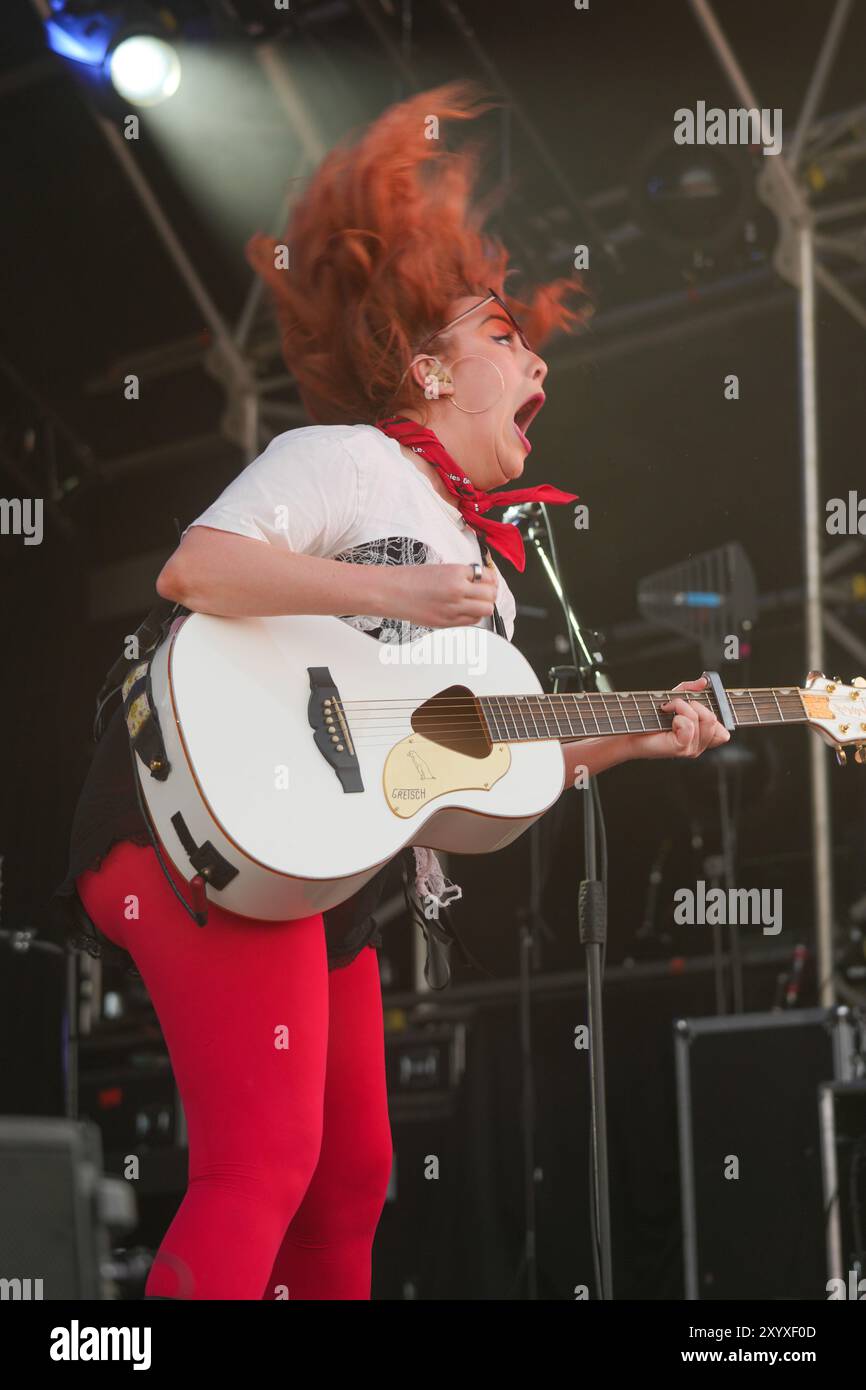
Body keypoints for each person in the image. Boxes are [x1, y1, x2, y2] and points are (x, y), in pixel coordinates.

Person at [50, 81, 730, 1301]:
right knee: (262, 1160)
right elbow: (193, 569)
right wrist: (409, 598)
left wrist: (638, 736)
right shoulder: (340, 459)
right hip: (191, 808)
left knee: (353, 1173)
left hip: (321, 864)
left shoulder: (497, 583)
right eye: (501, 336)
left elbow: (486, 752)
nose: (534, 361)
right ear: (424, 370)